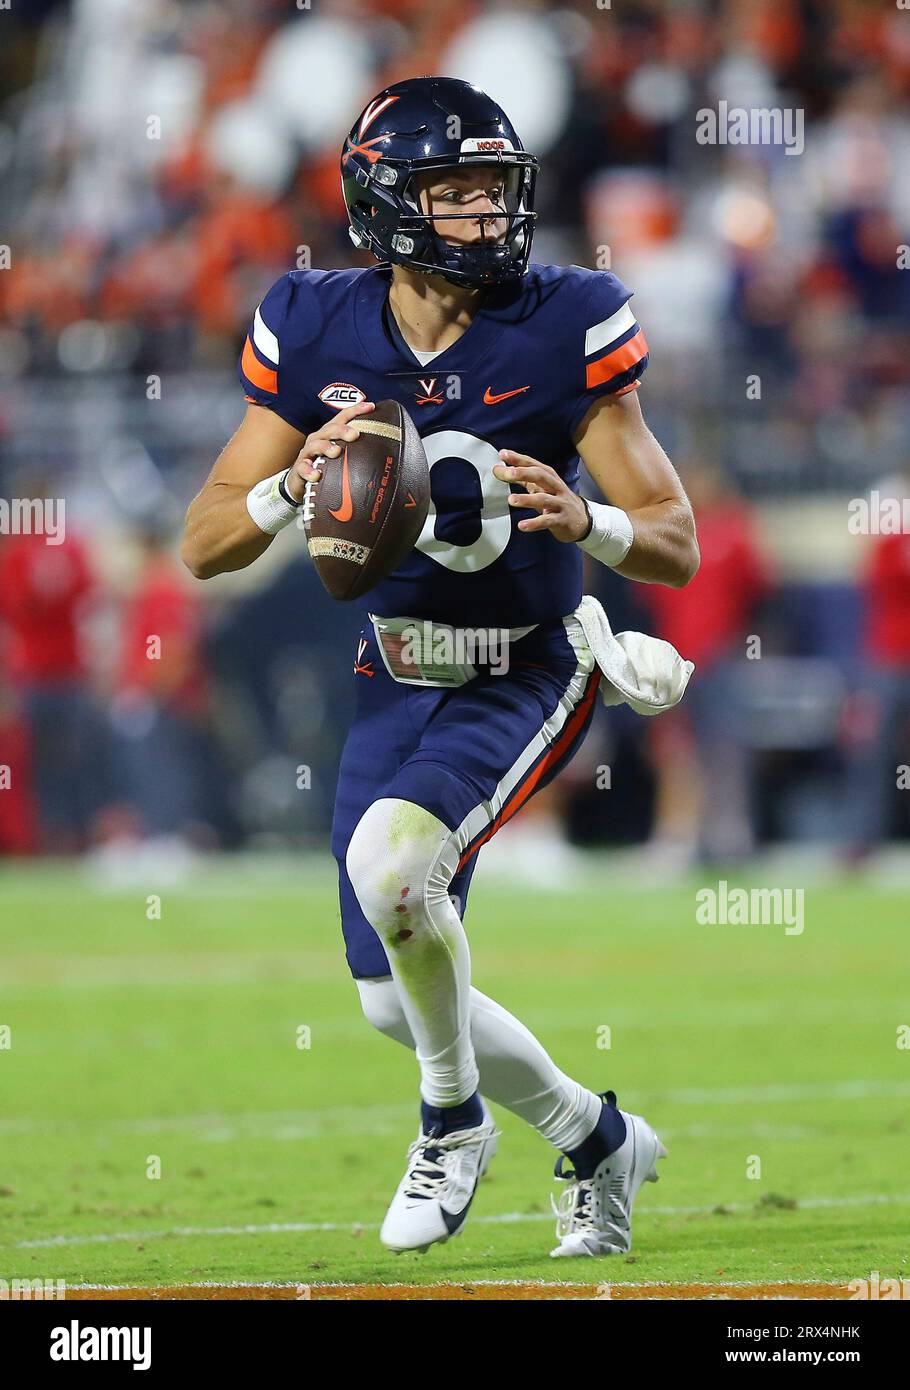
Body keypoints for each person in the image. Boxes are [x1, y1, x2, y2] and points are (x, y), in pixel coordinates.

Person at [181, 78, 699, 1259]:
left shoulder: (564, 318)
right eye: (453, 194)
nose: (484, 216)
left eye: (493, 189)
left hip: (530, 665)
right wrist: (288, 484)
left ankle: (451, 1117)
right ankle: (596, 1137)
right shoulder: (315, 325)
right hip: (394, 669)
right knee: (385, 988)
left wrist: (590, 520)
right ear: (384, 204)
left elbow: (675, 538)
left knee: (391, 866)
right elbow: (204, 542)